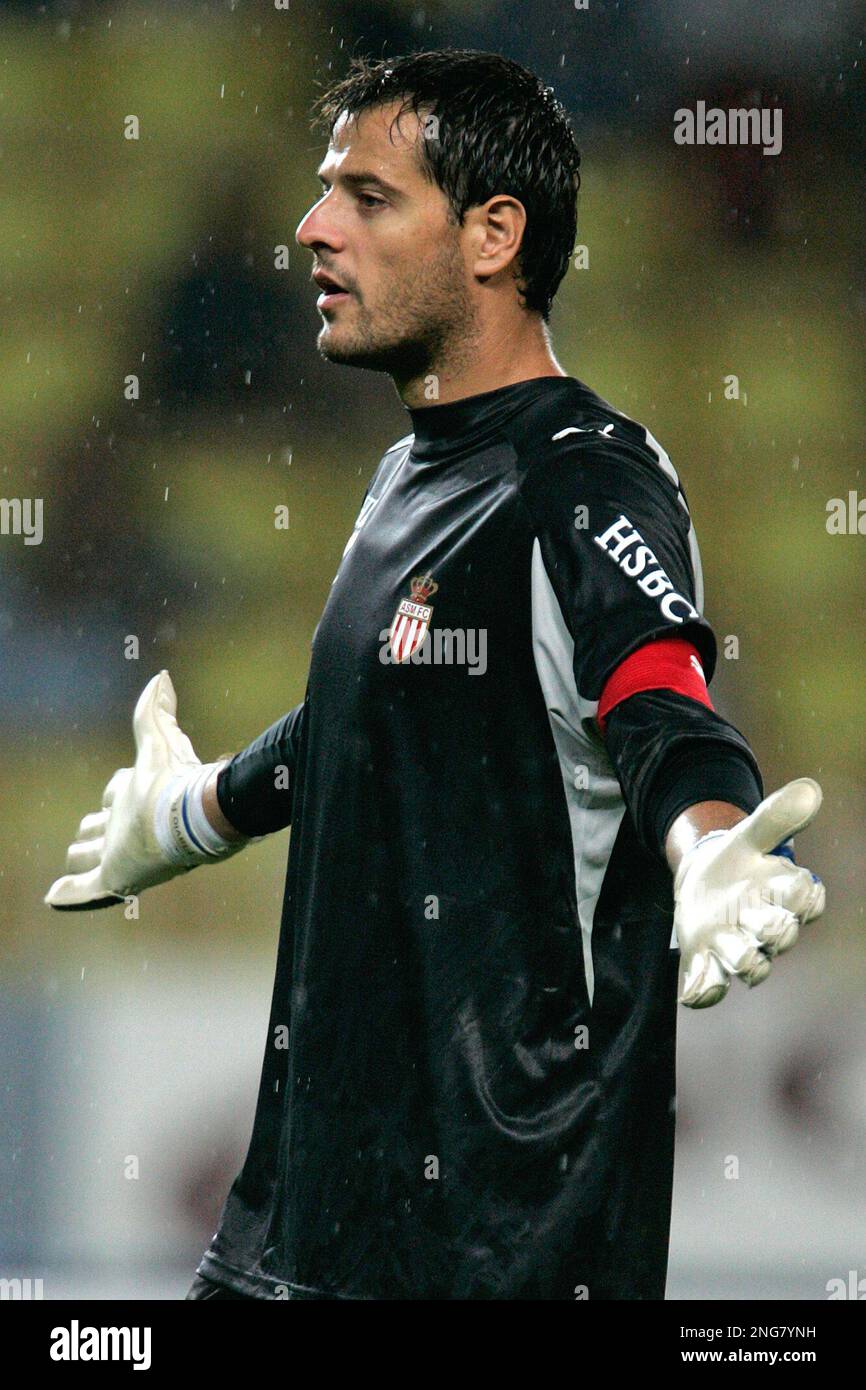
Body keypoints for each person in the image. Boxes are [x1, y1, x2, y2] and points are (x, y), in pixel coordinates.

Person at [46, 50, 825, 1301]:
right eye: (320, 194)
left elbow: (655, 693)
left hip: (492, 1254)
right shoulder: (414, 470)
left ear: (491, 234)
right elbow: (387, 708)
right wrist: (198, 812)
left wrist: (711, 844)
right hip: (299, 1236)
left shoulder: (583, 473)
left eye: (365, 196)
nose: (310, 230)